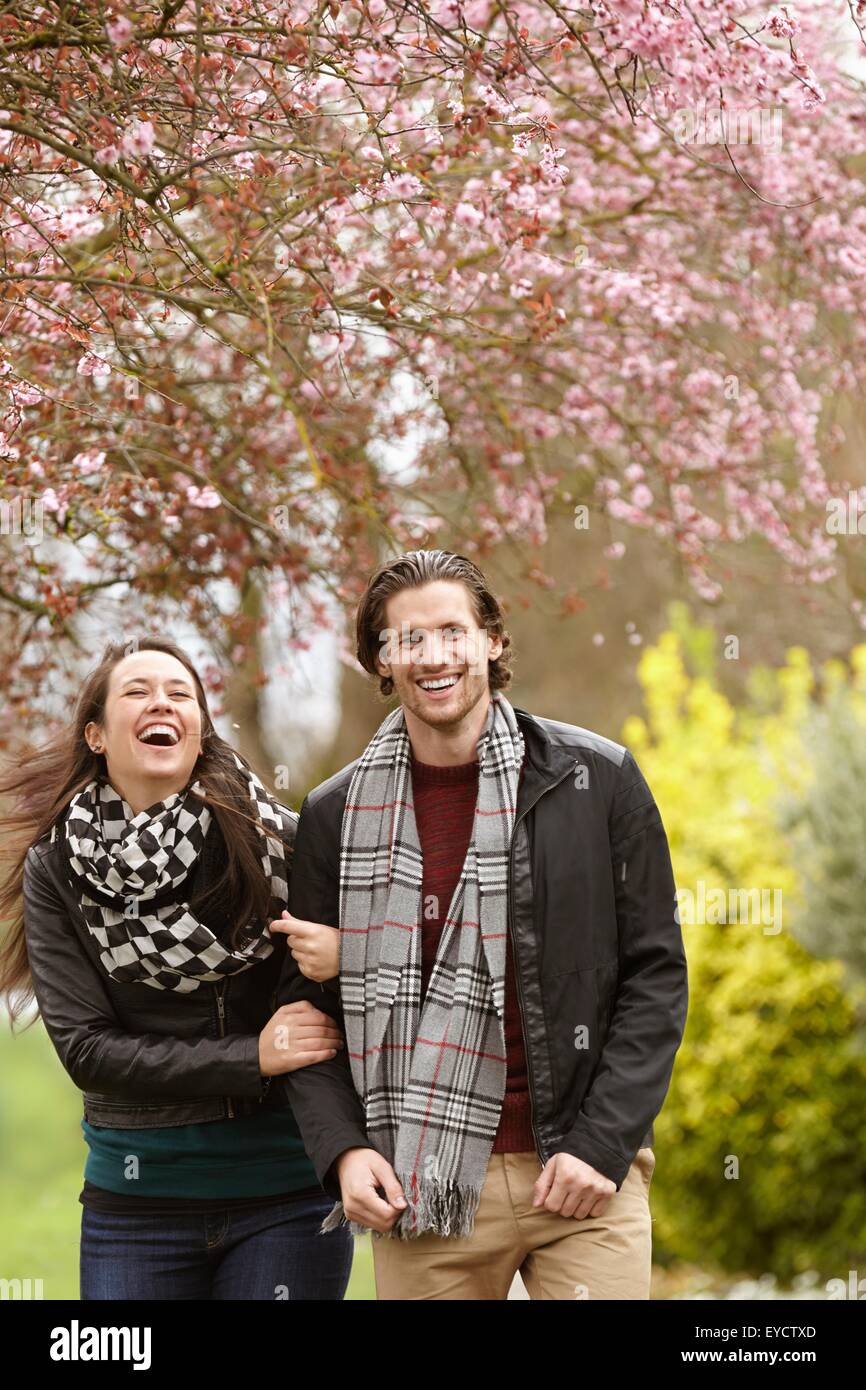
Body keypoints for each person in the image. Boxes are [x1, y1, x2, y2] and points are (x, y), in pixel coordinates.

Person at [266, 549, 689, 1300]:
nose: (435, 657)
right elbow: (308, 1009)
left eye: (453, 632)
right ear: (381, 662)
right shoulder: (334, 814)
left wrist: (601, 1145)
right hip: (419, 1183)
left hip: (580, 1176)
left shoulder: (595, 780)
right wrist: (342, 1153)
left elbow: (654, 975)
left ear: (491, 640)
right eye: (408, 640)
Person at [0, 637, 353, 1300]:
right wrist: (253, 1058)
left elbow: (327, 1006)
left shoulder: (280, 844)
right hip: (137, 1205)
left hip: (285, 1196)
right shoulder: (57, 870)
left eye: (179, 692)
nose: (161, 700)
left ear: (199, 731)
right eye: (137, 691)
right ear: (98, 735)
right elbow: (88, 1049)